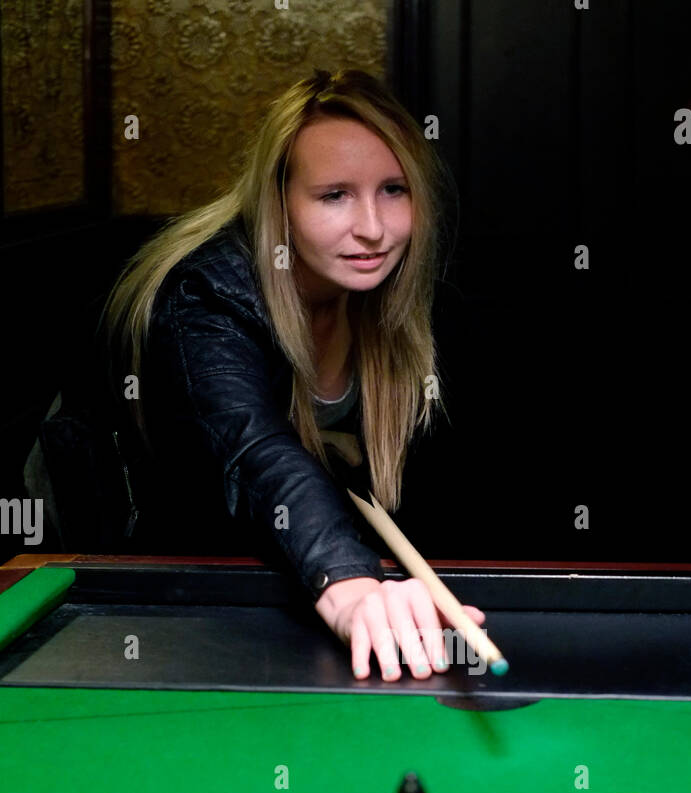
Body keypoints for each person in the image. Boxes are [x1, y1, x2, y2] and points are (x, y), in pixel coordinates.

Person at [98, 68, 485, 682]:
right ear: (278, 202)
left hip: (279, 579)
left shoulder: (403, 299)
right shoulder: (203, 297)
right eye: (334, 195)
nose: (373, 228)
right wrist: (350, 581)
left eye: (393, 189)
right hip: (149, 591)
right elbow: (255, 449)